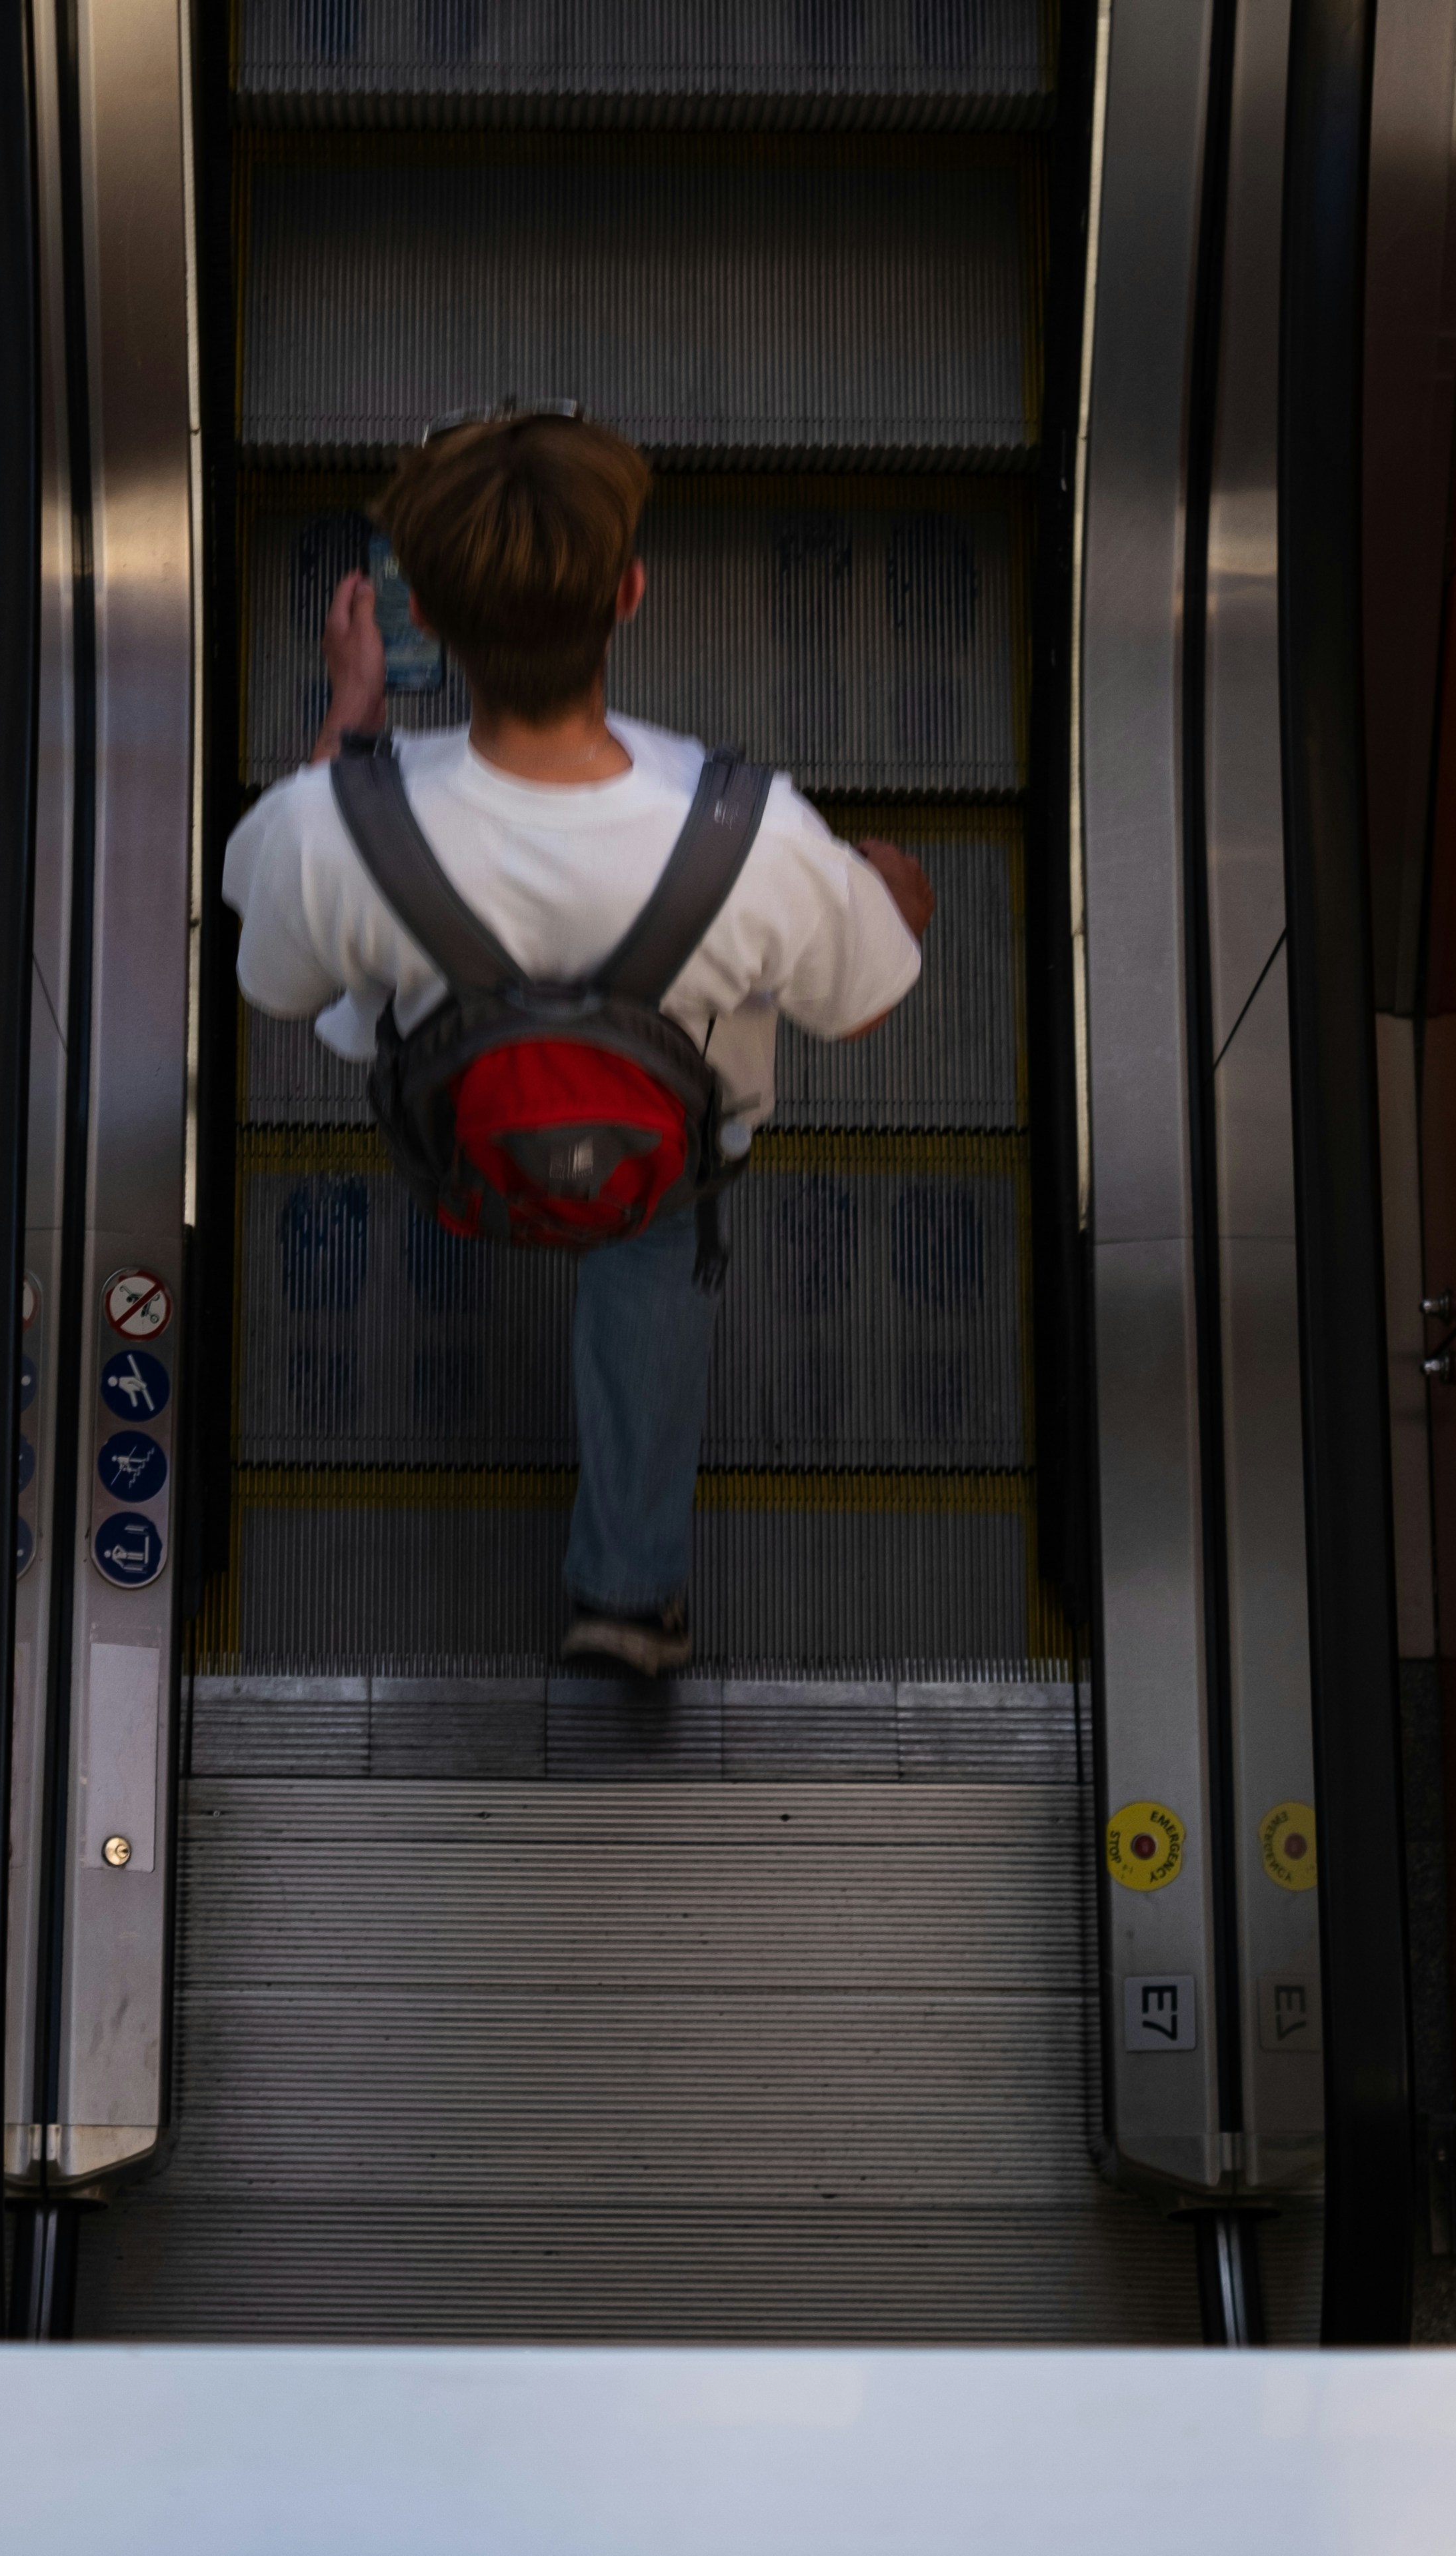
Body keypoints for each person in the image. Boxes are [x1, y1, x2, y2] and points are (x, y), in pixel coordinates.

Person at [220, 409, 936, 1676]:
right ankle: (627, 1590)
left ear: (421, 616)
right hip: (667, 1156)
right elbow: (863, 1003)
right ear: (631, 595)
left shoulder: (325, 825)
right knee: (663, 1232)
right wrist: (888, 887)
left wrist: (352, 714)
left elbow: (277, 985)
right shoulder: (762, 835)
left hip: (454, 1150)